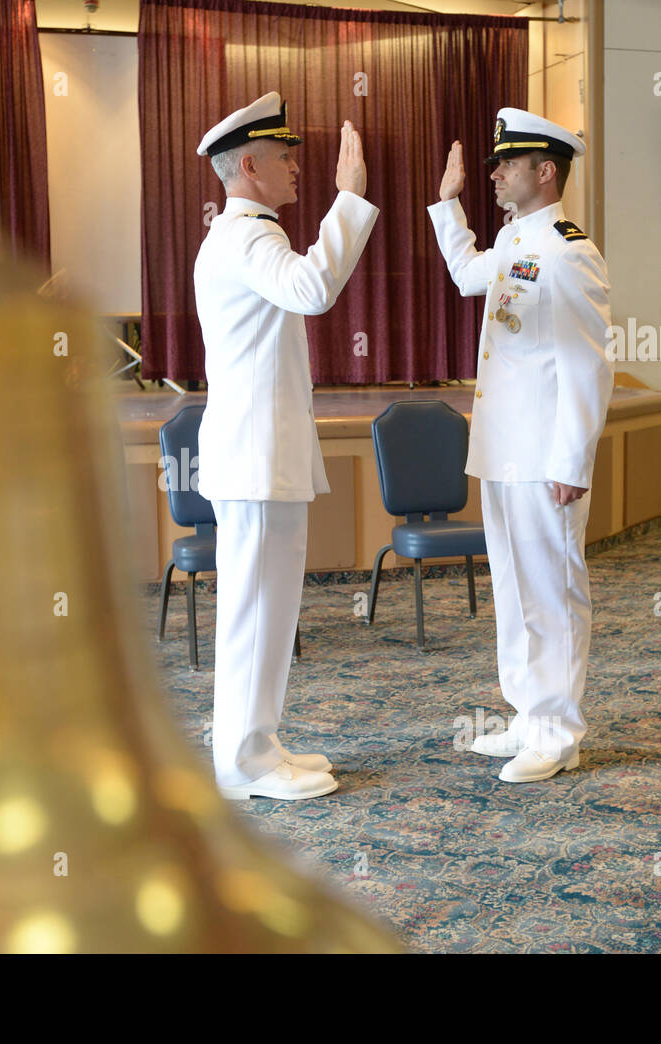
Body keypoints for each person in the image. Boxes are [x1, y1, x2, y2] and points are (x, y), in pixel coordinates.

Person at [193, 92, 378, 800]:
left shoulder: (247, 232)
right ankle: (243, 764)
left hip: (262, 456)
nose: (298, 166)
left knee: (270, 613)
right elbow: (312, 289)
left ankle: (259, 748)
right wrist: (350, 201)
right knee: (256, 613)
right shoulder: (246, 236)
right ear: (248, 166)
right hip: (254, 458)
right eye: (286, 156)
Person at [427, 107, 614, 783]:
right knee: (513, 585)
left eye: (507, 163)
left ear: (545, 171)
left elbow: (588, 367)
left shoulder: (568, 253)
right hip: (504, 449)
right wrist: (447, 204)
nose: (496, 173)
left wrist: (572, 460)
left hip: (543, 455)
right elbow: (467, 276)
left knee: (552, 587)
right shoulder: (513, 240)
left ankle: (559, 732)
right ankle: (528, 714)